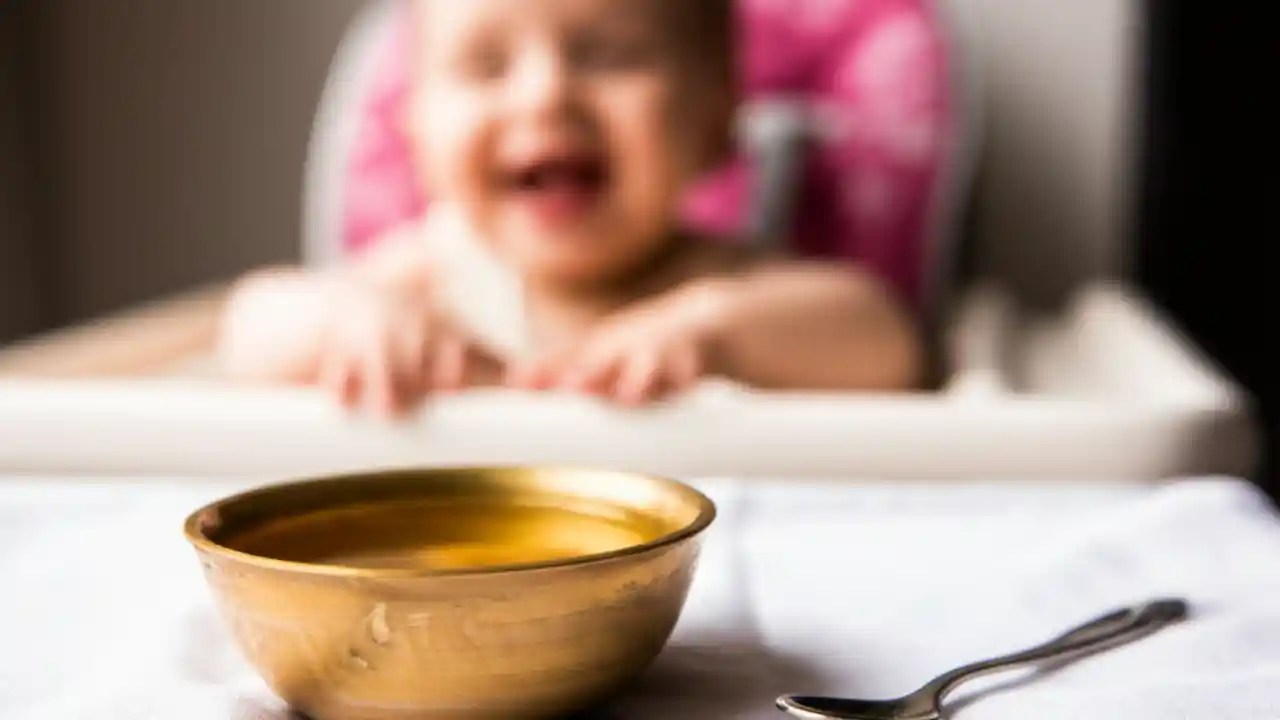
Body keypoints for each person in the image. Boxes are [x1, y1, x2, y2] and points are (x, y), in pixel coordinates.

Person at [220, 0, 923, 415]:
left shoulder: (724, 284)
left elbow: (884, 340)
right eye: (487, 66)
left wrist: (712, 334)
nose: (544, 96)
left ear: (713, 124)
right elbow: (248, 327)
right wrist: (354, 322)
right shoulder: (433, 277)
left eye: (609, 57)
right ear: (416, 133)